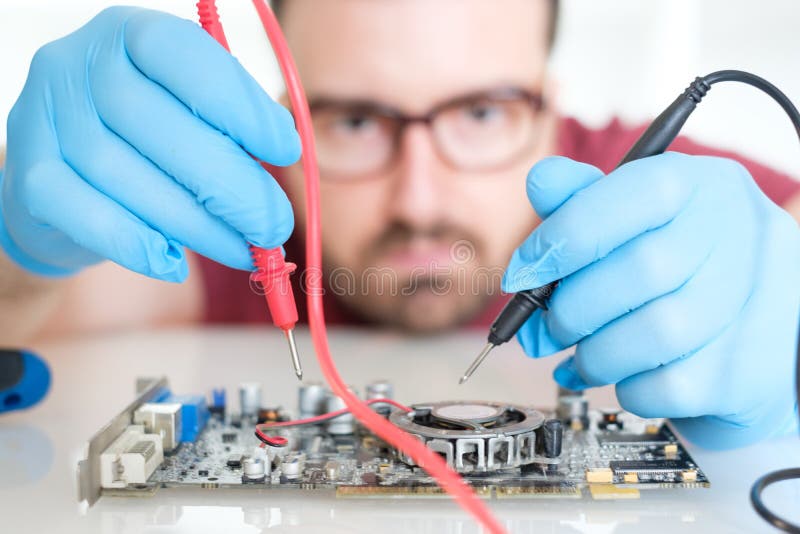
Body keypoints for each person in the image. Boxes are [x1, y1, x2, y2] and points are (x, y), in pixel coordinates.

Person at [0, 0, 798, 448]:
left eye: (482, 112)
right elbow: (17, 309)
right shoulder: (228, 212)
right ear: (286, 116)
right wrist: (18, 244)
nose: (417, 200)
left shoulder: (664, 188)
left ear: (551, 111)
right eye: (352, 122)